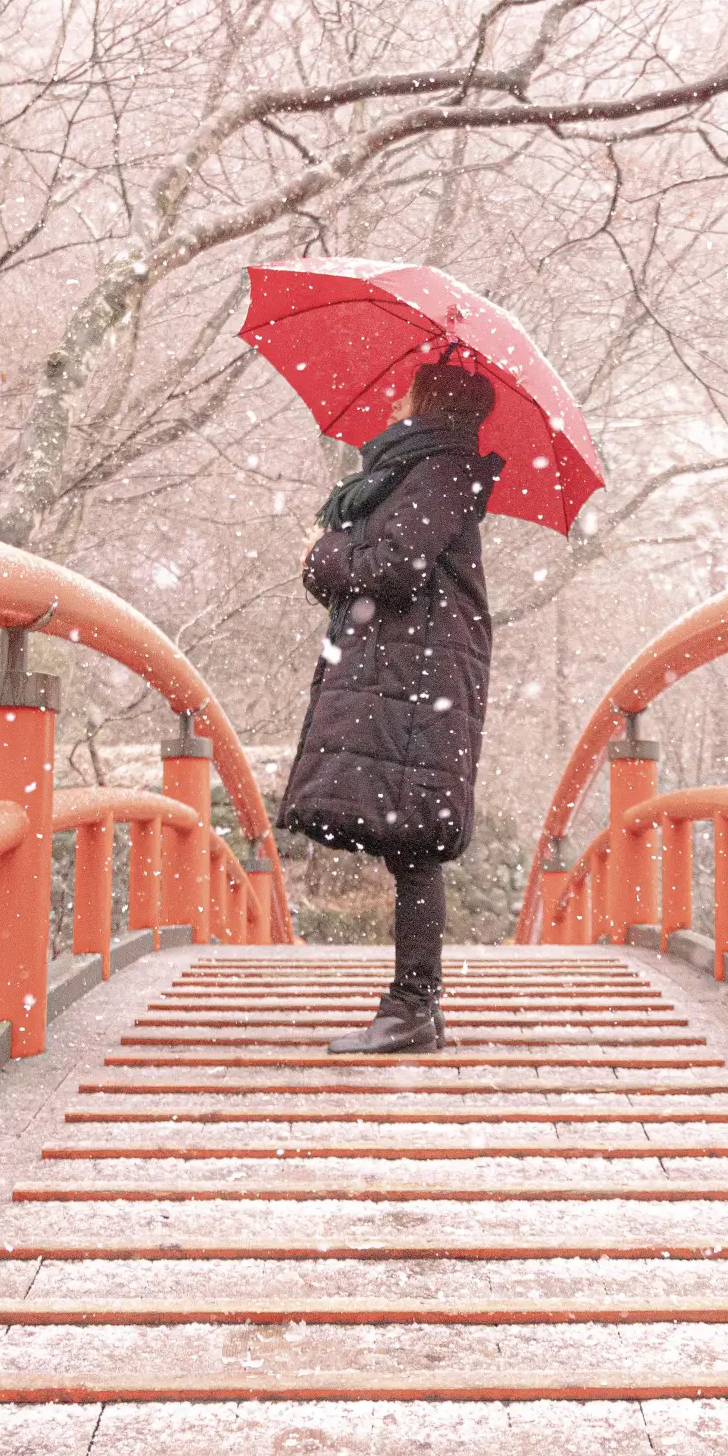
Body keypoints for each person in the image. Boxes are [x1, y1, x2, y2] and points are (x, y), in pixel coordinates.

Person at [278, 359, 501, 1052]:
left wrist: (324, 554)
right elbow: (390, 559)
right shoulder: (425, 470)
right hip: (412, 670)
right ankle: (415, 1007)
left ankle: (412, 1006)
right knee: (412, 841)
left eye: (407, 387)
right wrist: (341, 550)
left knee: (415, 840)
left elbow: (396, 565)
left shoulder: (440, 469)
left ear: (430, 399)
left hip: (419, 676)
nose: (395, 397)